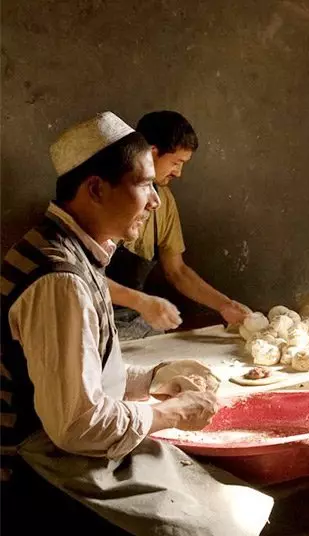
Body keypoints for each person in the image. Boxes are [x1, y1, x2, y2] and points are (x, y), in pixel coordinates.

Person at [0, 112, 272, 534]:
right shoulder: (60, 281)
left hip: (59, 447)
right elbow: (77, 424)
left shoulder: (65, 249)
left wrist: (154, 379)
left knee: (224, 498)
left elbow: (73, 376)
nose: (156, 200)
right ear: (95, 188)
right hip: (36, 471)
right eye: (145, 184)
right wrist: (170, 413)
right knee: (212, 524)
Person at [106, 111, 250, 340]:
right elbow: (85, 278)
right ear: (153, 153)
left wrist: (224, 305)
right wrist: (142, 302)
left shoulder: (164, 202)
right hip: (97, 316)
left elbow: (177, 271)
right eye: (176, 162)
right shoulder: (110, 197)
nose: (179, 173)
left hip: (132, 318)